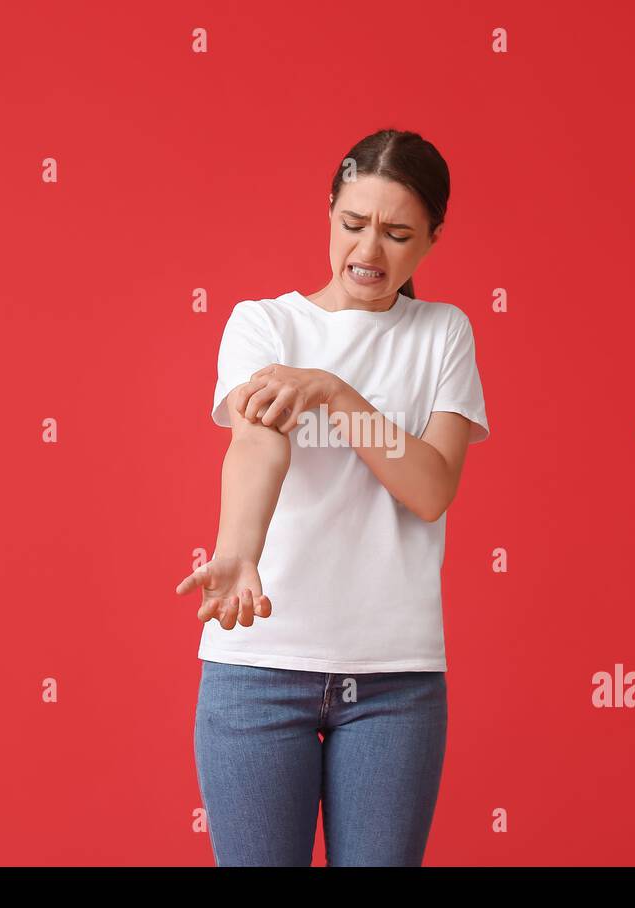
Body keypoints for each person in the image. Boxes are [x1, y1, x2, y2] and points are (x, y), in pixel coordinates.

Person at [175, 128, 491, 866]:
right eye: (353, 224)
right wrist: (237, 553)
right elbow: (258, 442)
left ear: (433, 238)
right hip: (258, 667)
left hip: (394, 681)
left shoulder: (443, 334)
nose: (369, 252)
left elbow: (428, 488)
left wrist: (333, 391)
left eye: (398, 233)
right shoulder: (265, 324)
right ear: (328, 211)